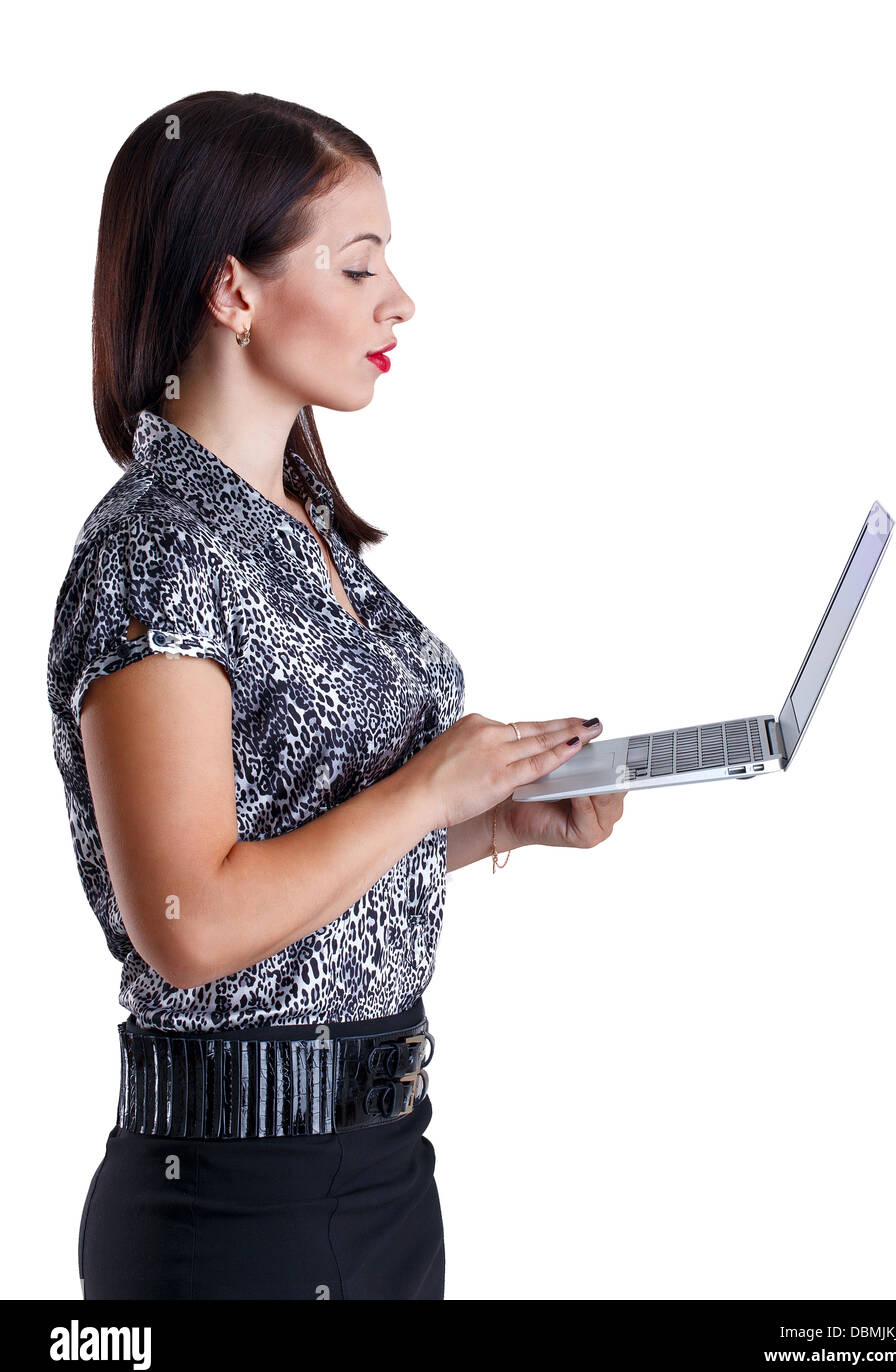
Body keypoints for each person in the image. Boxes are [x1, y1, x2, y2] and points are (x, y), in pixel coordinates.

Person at [46, 90, 626, 1301]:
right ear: (234, 292)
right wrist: (426, 790)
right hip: (233, 1194)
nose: (398, 301)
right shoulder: (157, 552)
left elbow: (296, 862)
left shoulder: (299, 529)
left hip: (378, 1165)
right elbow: (191, 923)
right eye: (358, 265)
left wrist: (494, 819)